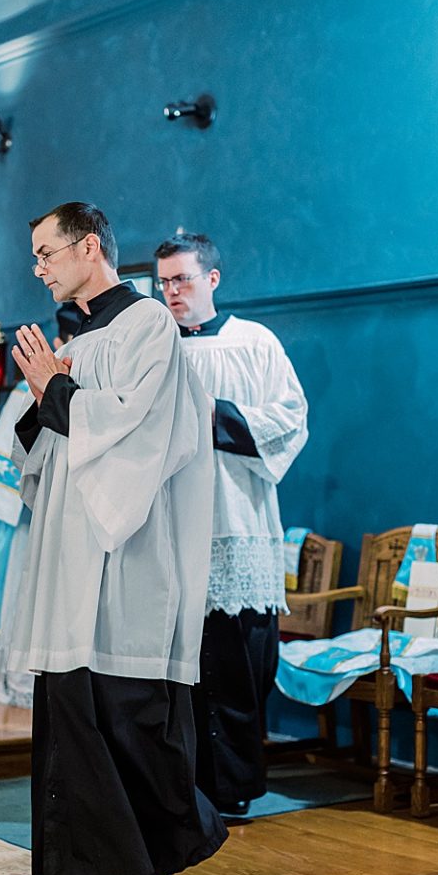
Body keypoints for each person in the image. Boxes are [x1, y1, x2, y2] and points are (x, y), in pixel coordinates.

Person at [0, 201, 227, 875]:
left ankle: (174, 835)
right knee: (69, 702)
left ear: (88, 247)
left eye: (46, 253)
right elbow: (45, 448)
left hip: (123, 551)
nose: (37, 269)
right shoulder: (81, 338)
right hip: (72, 548)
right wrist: (42, 404)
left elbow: (140, 432)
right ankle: (72, 866)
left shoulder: (147, 325)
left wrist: (58, 389)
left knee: (121, 708)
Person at [154, 232, 309, 818]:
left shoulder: (254, 343)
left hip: (238, 522)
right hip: (171, 526)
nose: (172, 291)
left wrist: (213, 416)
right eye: (164, 281)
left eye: (183, 279)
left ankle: (235, 787)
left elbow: (291, 418)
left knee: (241, 667)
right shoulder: (154, 345)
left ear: (212, 279)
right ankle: (185, 789)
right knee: (181, 669)